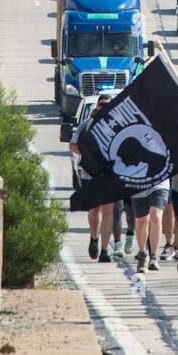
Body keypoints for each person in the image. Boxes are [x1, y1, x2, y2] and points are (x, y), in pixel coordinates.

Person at [69, 93, 118, 263]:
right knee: (94, 209)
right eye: (101, 105)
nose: (103, 107)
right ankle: (93, 237)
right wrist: (89, 155)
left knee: (109, 210)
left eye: (107, 105)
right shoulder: (86, 125)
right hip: (90, 172)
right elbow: (73, 145)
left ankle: (105, 250)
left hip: (110, 173)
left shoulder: (117, 126)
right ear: (97, 106)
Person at [133, 178, 171, 274]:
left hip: (160, 183)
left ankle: (153, 257)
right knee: (141, 222)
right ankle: (142, 255)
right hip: (138, 183)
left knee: (156, 216)